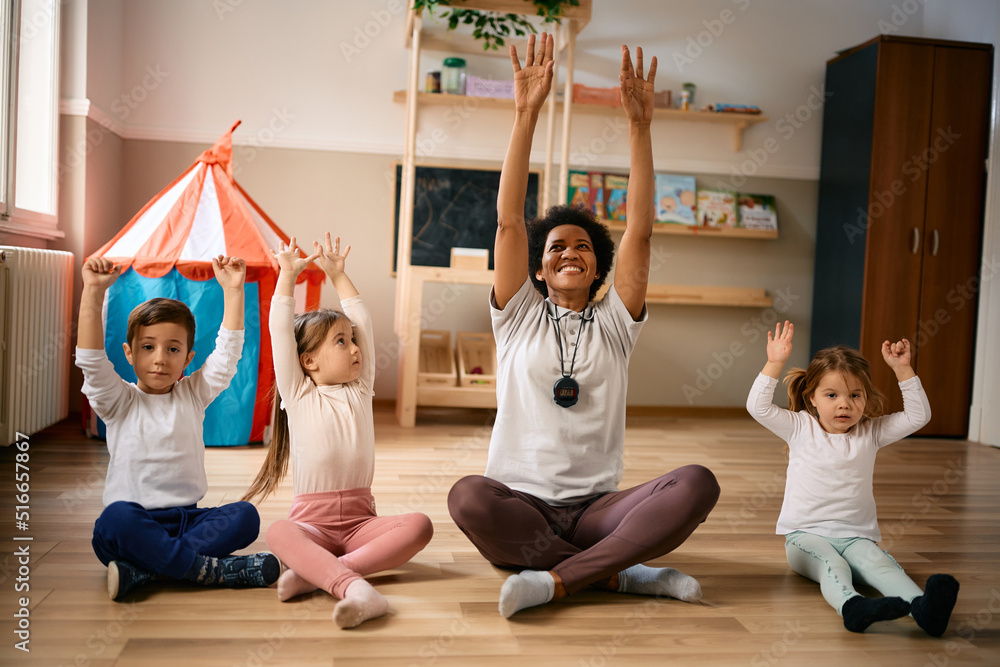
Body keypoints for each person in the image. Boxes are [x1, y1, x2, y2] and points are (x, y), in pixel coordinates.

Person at [447, 34, 720, 618]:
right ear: (538, 268)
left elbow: (641, 232)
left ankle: (554, 580)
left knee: (697, 482)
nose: (568, 251)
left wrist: (640, 128)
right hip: (520, 505)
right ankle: (618, 575)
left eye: (582, 246)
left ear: (598, 264)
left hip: (599, 510)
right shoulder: (516, 313)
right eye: (555, 247)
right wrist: (526, 114)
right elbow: (507, 221)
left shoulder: (615, 322)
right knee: (468, 496)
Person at [243, 234, 433, 629]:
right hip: (313, 524)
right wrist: (287, 278)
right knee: (279, 532)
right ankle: (355, 588)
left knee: (420, 525)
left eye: (353, 342)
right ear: (308, 360)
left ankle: (324, 574)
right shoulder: (298, 394)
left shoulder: (362, 389)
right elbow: (280, 331)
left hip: (363, 523)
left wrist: (339, 276)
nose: (355, 349)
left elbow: (362, 321)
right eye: (342, 342)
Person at [78, 255, 279, 601]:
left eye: (173, 349)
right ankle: (211, 572)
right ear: (129, 353)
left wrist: (234, 291)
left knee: (245, 516)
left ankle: (144, 572)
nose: (160, 358)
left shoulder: (192, 394)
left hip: (187, 521)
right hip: (133, 525)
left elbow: (227, 355)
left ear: (187, 358)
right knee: (114, 520)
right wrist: (93, 293)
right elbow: (92, 361)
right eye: (148, 347)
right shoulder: (118, 400)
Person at [746, 321, 959, 635]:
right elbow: (757, 406)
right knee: (834, 566)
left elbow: (918, 416)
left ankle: (923, 609)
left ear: (865, 398)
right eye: (831, 395)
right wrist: (774, 362)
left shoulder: (870, 432)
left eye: (854, 395)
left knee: (880, 563)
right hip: (805, 538)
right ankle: (851, 606)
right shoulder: (799, 427)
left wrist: (903, 370)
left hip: (857, 537)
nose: (844, 403)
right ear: (812, 398)